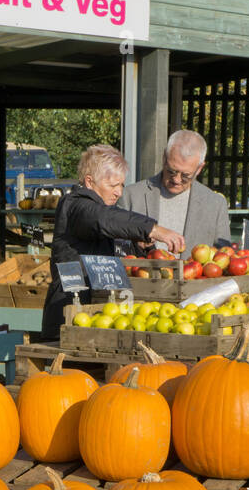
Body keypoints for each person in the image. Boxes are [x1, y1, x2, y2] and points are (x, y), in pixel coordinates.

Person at [40, 144, 184, 341]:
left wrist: (142, 246)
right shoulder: (76, 205)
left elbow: (115, 241)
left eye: (122, 185)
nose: (118, 192)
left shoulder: (109, 214)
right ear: (90, 182)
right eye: (112, 185)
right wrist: (154, 229)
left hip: (102, 316)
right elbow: (101, 219)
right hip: (70, 313)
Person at [118, 129, 231, 256]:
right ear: (164, 158)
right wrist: (135, 244)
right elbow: (116, 247)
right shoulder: (131, 196)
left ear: (199, 168)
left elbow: (223, 256)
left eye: (186, 176)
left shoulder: (215, 204)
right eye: (171, 171)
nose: (176, 180)